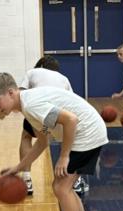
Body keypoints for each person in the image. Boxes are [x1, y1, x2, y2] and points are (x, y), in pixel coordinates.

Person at [0, 72, 106, 211]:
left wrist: (64, 156)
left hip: (87, 133)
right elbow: (42, 141)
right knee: (64, 187)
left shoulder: (32, 104)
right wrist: (19, 167)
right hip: (88, 131)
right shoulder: (27, 107)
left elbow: (71, 120)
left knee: (60, 188)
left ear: (10, 93)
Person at [18, 55, 74, 196]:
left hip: (41, 114)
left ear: (41, 66)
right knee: (67, 142)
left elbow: (21, 94)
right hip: (59, 117)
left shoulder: (32, 72)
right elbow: (72, 101)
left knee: (26, 136)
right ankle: (74, 179)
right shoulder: (64, 78)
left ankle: (26, 179)